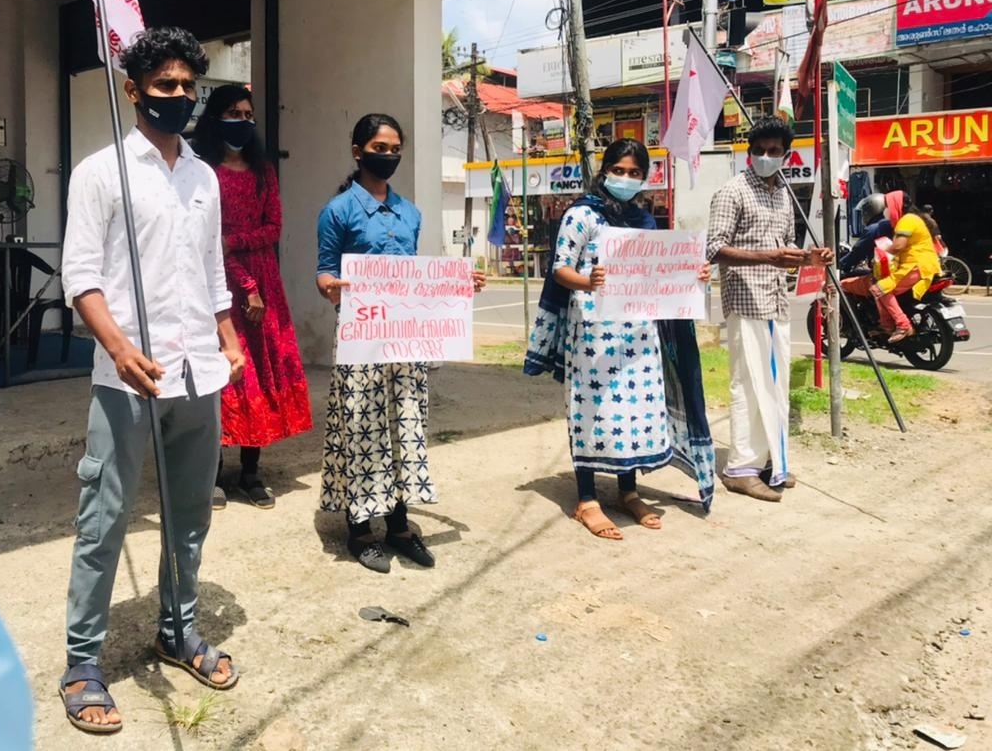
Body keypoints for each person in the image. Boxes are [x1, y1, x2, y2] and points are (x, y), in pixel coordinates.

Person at [58, 27, 246, 735]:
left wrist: (229, 338)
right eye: (165, 86)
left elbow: (213, 273)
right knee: (103, 520)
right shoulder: (101, 172)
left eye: (188, 87)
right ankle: (82, 663)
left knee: (190, 515)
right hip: (125, 377)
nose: (180, 98)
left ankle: (178, 629)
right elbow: (82, 276)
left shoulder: (203, 176)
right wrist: (118, 346)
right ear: (133, 90)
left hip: (199, 370)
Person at [315, 113, 485, 573]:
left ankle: (399, 525)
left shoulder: (411, 213)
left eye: (395, 149)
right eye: (379, 147)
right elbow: (324, 272)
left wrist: (460, 286)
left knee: (405, 427)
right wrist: (334, 287)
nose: (387, 156)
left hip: (404, 342)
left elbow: (415, 278)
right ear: (358, 150)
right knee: (362, 428)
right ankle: (359, 530)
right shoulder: (338, 211)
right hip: (360, 340)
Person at [527, 139, 716, 540]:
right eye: (620, 170)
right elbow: (559, 269)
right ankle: (587, 498)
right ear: (605, 169)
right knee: (592, 409)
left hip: (638, 333)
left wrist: (691, 276)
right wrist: (588, 281)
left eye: (635, 173)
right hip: (593, 333)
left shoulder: (645, 221)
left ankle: (627, 492)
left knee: (633, 410)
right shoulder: (582, 215)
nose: (626, 179)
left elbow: (661, 273)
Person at [191, 85, 312, 510]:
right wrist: (243, 281)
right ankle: (212, 472)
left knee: (260, 370)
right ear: (214, 118)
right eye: (233, 113)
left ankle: (251, 471)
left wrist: (236, 244)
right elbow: (208, 242)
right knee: (223, 373)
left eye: (248, 114)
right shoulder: (203, 172)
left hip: (264, 281)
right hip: (218, 282)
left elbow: (273, 227)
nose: (242, 121)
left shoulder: (263, 171)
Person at [706, 117, 833, 503]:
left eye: (773, 151)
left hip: (776, 300)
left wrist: (811, 257)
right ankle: (740, 468)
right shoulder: (732, 192)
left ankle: (768, 462)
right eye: (758, 150)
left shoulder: (783, 194)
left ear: (786, 155)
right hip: (745, 300)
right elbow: (714, 249)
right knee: (747, 382)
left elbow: (786, 248)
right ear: (749, 152)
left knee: (774, 385)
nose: (765, 156)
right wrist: (770, 257)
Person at [842, 191, 941, 343]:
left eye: (888, 206)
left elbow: (898, 246)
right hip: (919, 266)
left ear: (896, 206)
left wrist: (882, 249)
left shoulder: (906, 220)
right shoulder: (913, 219)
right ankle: (886, 325)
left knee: (879, 288)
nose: (886, 210)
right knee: (882, 288)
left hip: (915, 267)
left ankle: (902, 324)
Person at [840, 192, 892, 277]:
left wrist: (840, 265)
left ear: (871, 210)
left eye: (864, 211)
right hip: (892, 270)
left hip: (883, 274)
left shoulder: (873, 228)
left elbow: (857, 253)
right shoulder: (888, 224)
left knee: (843, 282)